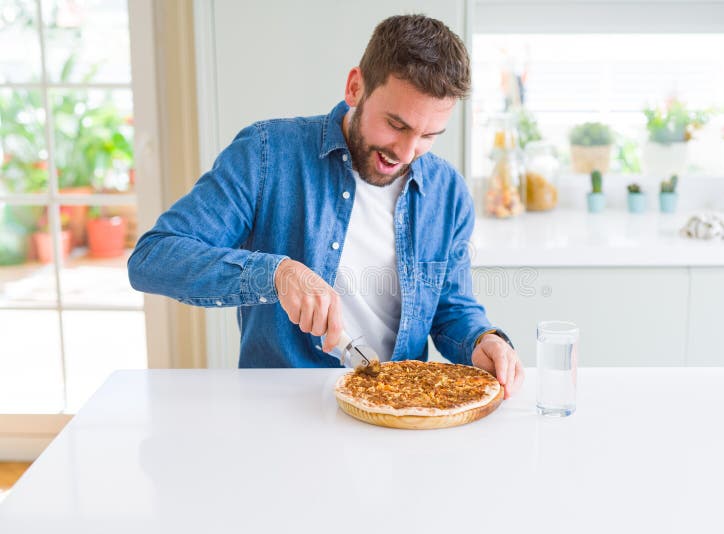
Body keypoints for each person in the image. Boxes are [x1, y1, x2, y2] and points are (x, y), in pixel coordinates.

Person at [128, 14, 524, 398]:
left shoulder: (448, 192)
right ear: (355, 88)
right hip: (280, 411)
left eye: (428, 135)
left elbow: (451, 308)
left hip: (397, 412)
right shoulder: (266, 154)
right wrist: (277, 273)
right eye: (396, 125)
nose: (406, 153)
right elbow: (152, 258)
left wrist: (481, 340)